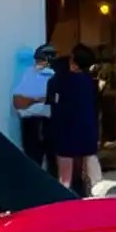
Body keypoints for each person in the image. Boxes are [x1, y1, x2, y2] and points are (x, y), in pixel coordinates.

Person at [46, 44, 102, 195]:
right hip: (87, 133)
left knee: (65, 178)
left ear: (73, 61)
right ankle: (99, 200)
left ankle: (63, 205)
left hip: (65, 133)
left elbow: (51, 102)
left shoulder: (59, 81)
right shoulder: (90, 83)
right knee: (92, 175)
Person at [12, 44, 55, 169]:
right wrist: (38, 99)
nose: (38, 64)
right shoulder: (28, 74)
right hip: (31, 124)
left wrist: (33, 100)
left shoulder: (55, 76)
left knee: (53, 163)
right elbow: (18, 101)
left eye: (41, 60)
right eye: (37, 60)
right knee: (32, 163)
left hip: (49, 122)